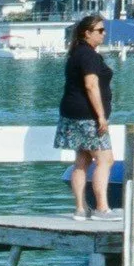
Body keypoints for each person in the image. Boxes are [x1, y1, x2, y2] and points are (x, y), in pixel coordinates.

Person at [57, 14, 115, 218]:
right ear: (87, 33)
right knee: (105, 159)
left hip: (71, 113)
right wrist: (100, 116)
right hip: (87, 115)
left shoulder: (76, 53)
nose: (103, 33)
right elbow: (91, 85)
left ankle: (81, 209)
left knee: (82, 160)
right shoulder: (88, 55)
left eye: (104, 29)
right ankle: (101, 207)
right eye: (100, 30)